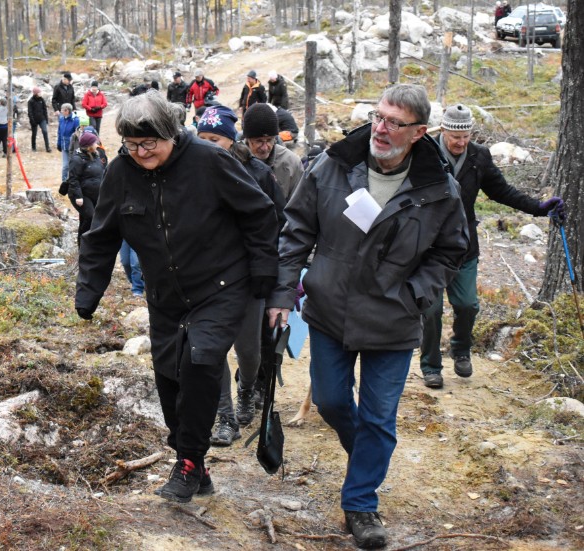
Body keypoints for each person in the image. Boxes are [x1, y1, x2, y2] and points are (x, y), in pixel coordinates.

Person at [266, 84, 469, 549]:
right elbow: (296, 229)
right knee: (333, 402)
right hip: (329, 310)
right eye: (378, 116)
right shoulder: (334, 165)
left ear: (419, 133)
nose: (380, 128)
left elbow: (451, 249)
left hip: (393, 320)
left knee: (379, 417)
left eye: (394, 123)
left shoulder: (439, 188)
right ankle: (368, 461)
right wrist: (282, 295)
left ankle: (360, 502)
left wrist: (416, 293)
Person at [75, 90, 279, 503]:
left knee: (201, 361)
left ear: (171, 133)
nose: (140, 152)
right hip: (166, 294)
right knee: (170, 377)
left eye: (149, 143)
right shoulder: (120, 172)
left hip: (220, 285)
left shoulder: (211, 161)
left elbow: (260, 212)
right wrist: (88, 292)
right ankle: (197, 466)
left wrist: (264, 272)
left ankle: (186, 461)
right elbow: (101, 237)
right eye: (131, 145)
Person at [420, 104, 564, 389]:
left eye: (466, 136)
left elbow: (501, 191)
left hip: (463, 245)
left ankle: (461, 350)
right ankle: (430, 366)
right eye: (455, 136)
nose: (461, 142)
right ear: (444, 131)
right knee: (431, 310)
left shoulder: (479, 156)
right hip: (428, 247)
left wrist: (538, 208)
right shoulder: (424, 154)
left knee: (468, 305)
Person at [195, 104, 285, 445]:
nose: (208, 145)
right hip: (205, 278)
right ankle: (225, 418)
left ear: (231, 141)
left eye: (215, 139)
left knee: (248, 351)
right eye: (202, 138)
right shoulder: (189, 172)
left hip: (247, 278)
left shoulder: (260, 174)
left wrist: (269, 271)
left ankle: (247, 386)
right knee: (211, 349)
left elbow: (276, 225)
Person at [243, 103, 304, 199]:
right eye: (259, 141)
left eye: (269, 140)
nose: (265, 147)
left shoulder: (292, 163)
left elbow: (298, 205)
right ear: (248, 139)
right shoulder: (234, 160)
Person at [67, 132, 108, 246]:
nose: (97, 144)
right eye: (95, 142)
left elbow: (103, 172)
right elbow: (73, 179)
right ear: (89, 145)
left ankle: (92, 243)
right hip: (82, 195)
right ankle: (84, 243)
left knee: (92, 219)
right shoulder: (77, 159)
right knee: (90, 217)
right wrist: (78, 196)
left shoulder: (97, 155)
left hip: (95, 193)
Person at [56, 103, 80, 182]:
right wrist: (59, 143)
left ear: (68, 111)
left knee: (72, 165)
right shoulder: (61, 119)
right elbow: (59, 132)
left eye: (63, 110)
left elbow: (78, 134)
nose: (61, 111)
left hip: (72, 147)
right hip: (64, 146)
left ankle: (73, 181)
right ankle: (64, 183)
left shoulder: (75, 120)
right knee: (65, 166)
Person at [27, 87, 51, 153]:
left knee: (45, 131)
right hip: (34, 120)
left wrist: (46, 119)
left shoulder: (42, 100)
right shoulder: (30, 101)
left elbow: (45, 110)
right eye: (39, 92)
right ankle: (33, 147)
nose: (40, 93)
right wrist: (32, 121)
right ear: (36, 93)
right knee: (34, 133)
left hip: (42, 119)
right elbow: (30, 112)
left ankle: (47, 147)